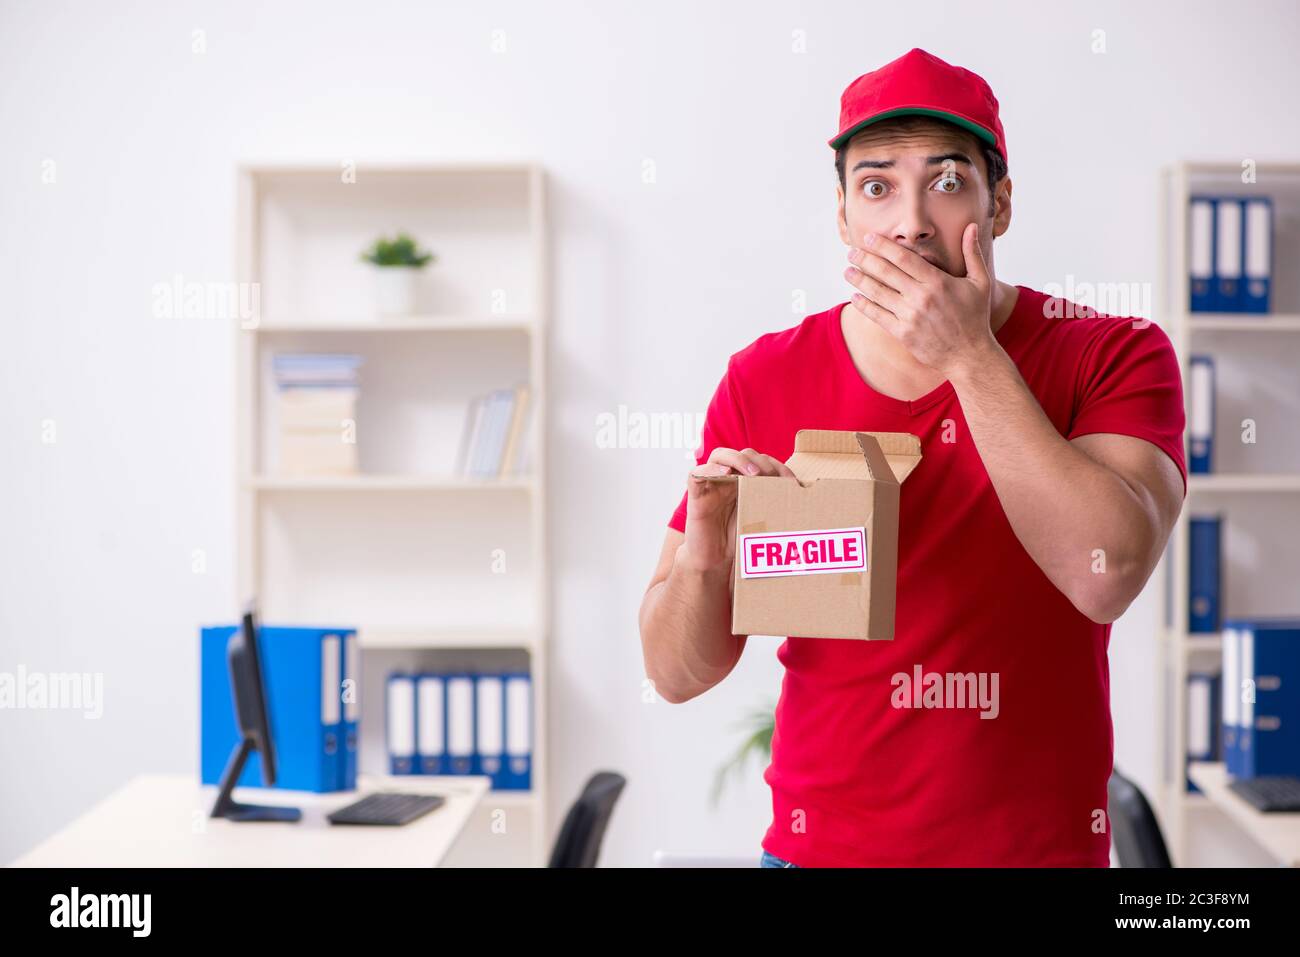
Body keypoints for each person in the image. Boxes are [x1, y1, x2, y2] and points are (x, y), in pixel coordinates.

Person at [637, 48, 1186, 868]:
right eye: (877, 185)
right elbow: (675, 673)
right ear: (841, 216)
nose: (910, 223)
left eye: (947, 180)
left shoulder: (1112, 353)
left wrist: (969, 355)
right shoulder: (765, 375)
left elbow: (1105, 573)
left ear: (1000, 204)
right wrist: (709, 552)